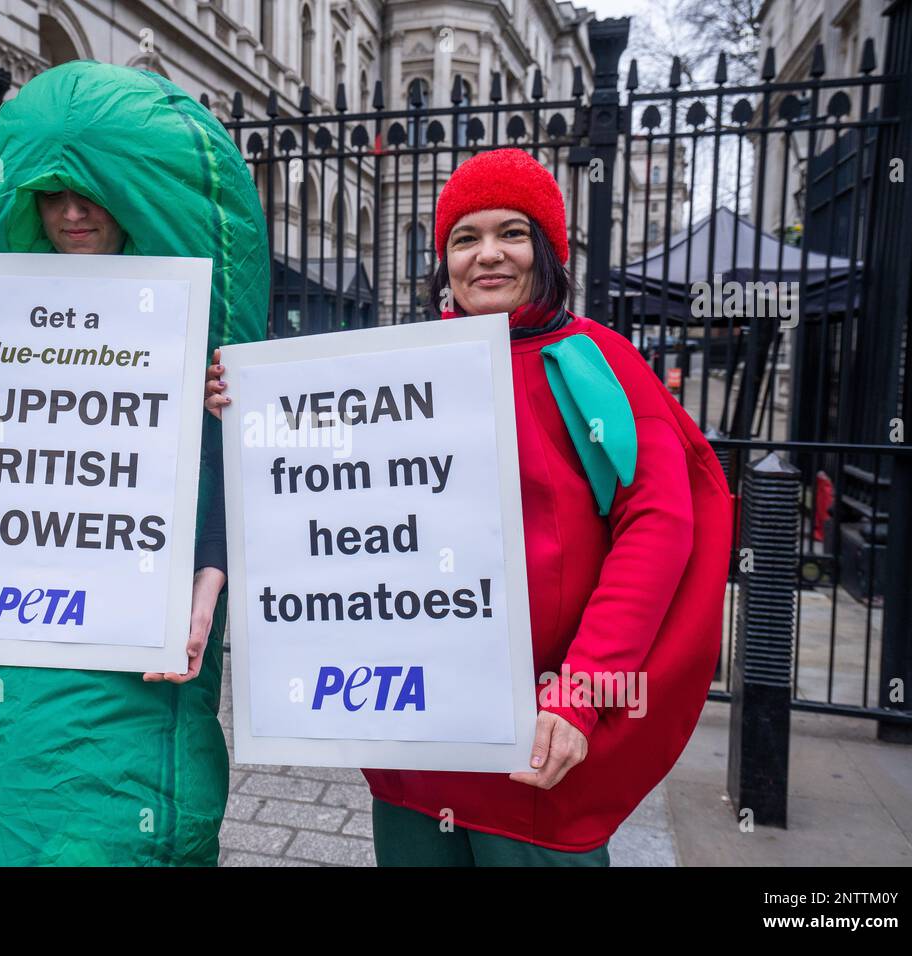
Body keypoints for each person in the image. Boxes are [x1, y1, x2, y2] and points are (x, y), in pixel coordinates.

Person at [207, 147, 732, 867]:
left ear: (547, 250)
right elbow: (316, 493)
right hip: (419, 748)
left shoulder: (597, 361)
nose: (488, 255)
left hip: (541, 747)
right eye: (465, 238)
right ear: (443, 260)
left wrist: (582, 695)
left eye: (511, 233)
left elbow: (659, 528)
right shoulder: (399, 366)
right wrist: (244, 413)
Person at [0, 60, 268, 866]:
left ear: (132, 199)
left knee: (112, 830)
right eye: (51, 193)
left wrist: (209, 581)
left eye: (92, 193)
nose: (72, 212)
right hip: (3, 642)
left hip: (133, 634)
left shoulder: (187, 322)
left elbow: (228, 473)